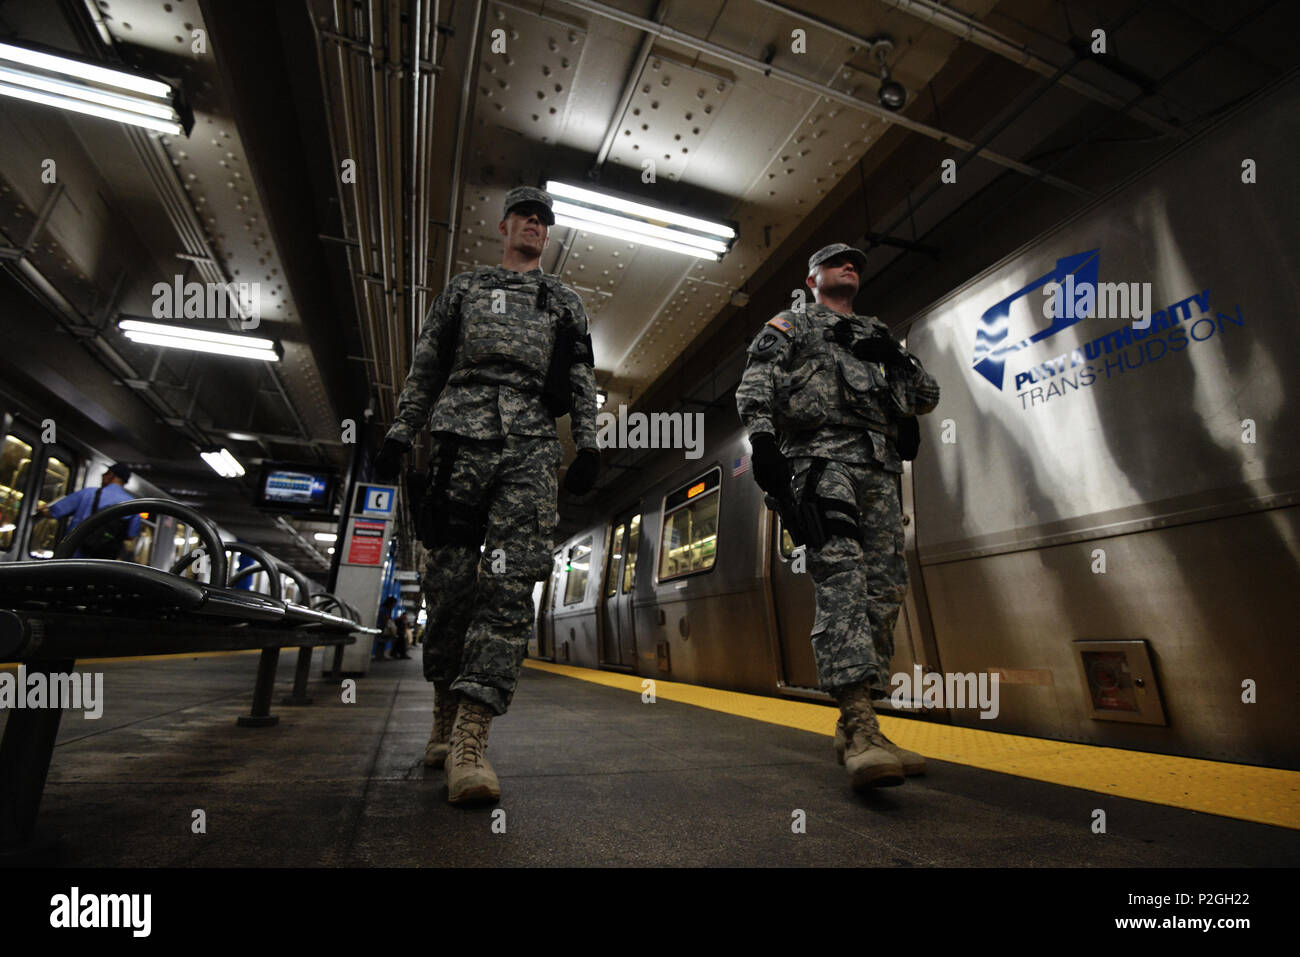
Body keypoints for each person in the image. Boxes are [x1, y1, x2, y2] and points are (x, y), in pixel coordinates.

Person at [372, 186, 600, 805]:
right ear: (503, 227)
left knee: (509, 587)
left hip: (529, 447)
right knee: (450, 589)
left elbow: (581, 374)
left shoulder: (563, 301)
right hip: (457, 438)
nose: (534, 224)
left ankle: (472, 737)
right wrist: (400, 432)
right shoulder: (465, 290)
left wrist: (590, 442)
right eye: (525, 215)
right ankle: (444, 716)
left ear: (547, 236)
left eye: (544, 220)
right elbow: (428, 362)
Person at [736, 242, 940, 791]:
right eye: (837, 262)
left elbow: (925, 395)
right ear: (813, 276)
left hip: (877, 469)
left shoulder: (876, 333)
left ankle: (860, 723)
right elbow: (756, 379)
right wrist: (762, 441)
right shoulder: (791, 324)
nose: (849, 267)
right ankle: (861, 725)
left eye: (856, 264)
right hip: (821, 463)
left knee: (886, 589)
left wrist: (895, 357)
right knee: (843, 580)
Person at [38, 463, 141, 559]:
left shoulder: (89, 493)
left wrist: (41, 507)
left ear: (111, 475)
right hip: (102, 561)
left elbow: (53, 512)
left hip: (73, 554)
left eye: (105, 474)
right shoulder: (133, 505)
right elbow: (131, 536)